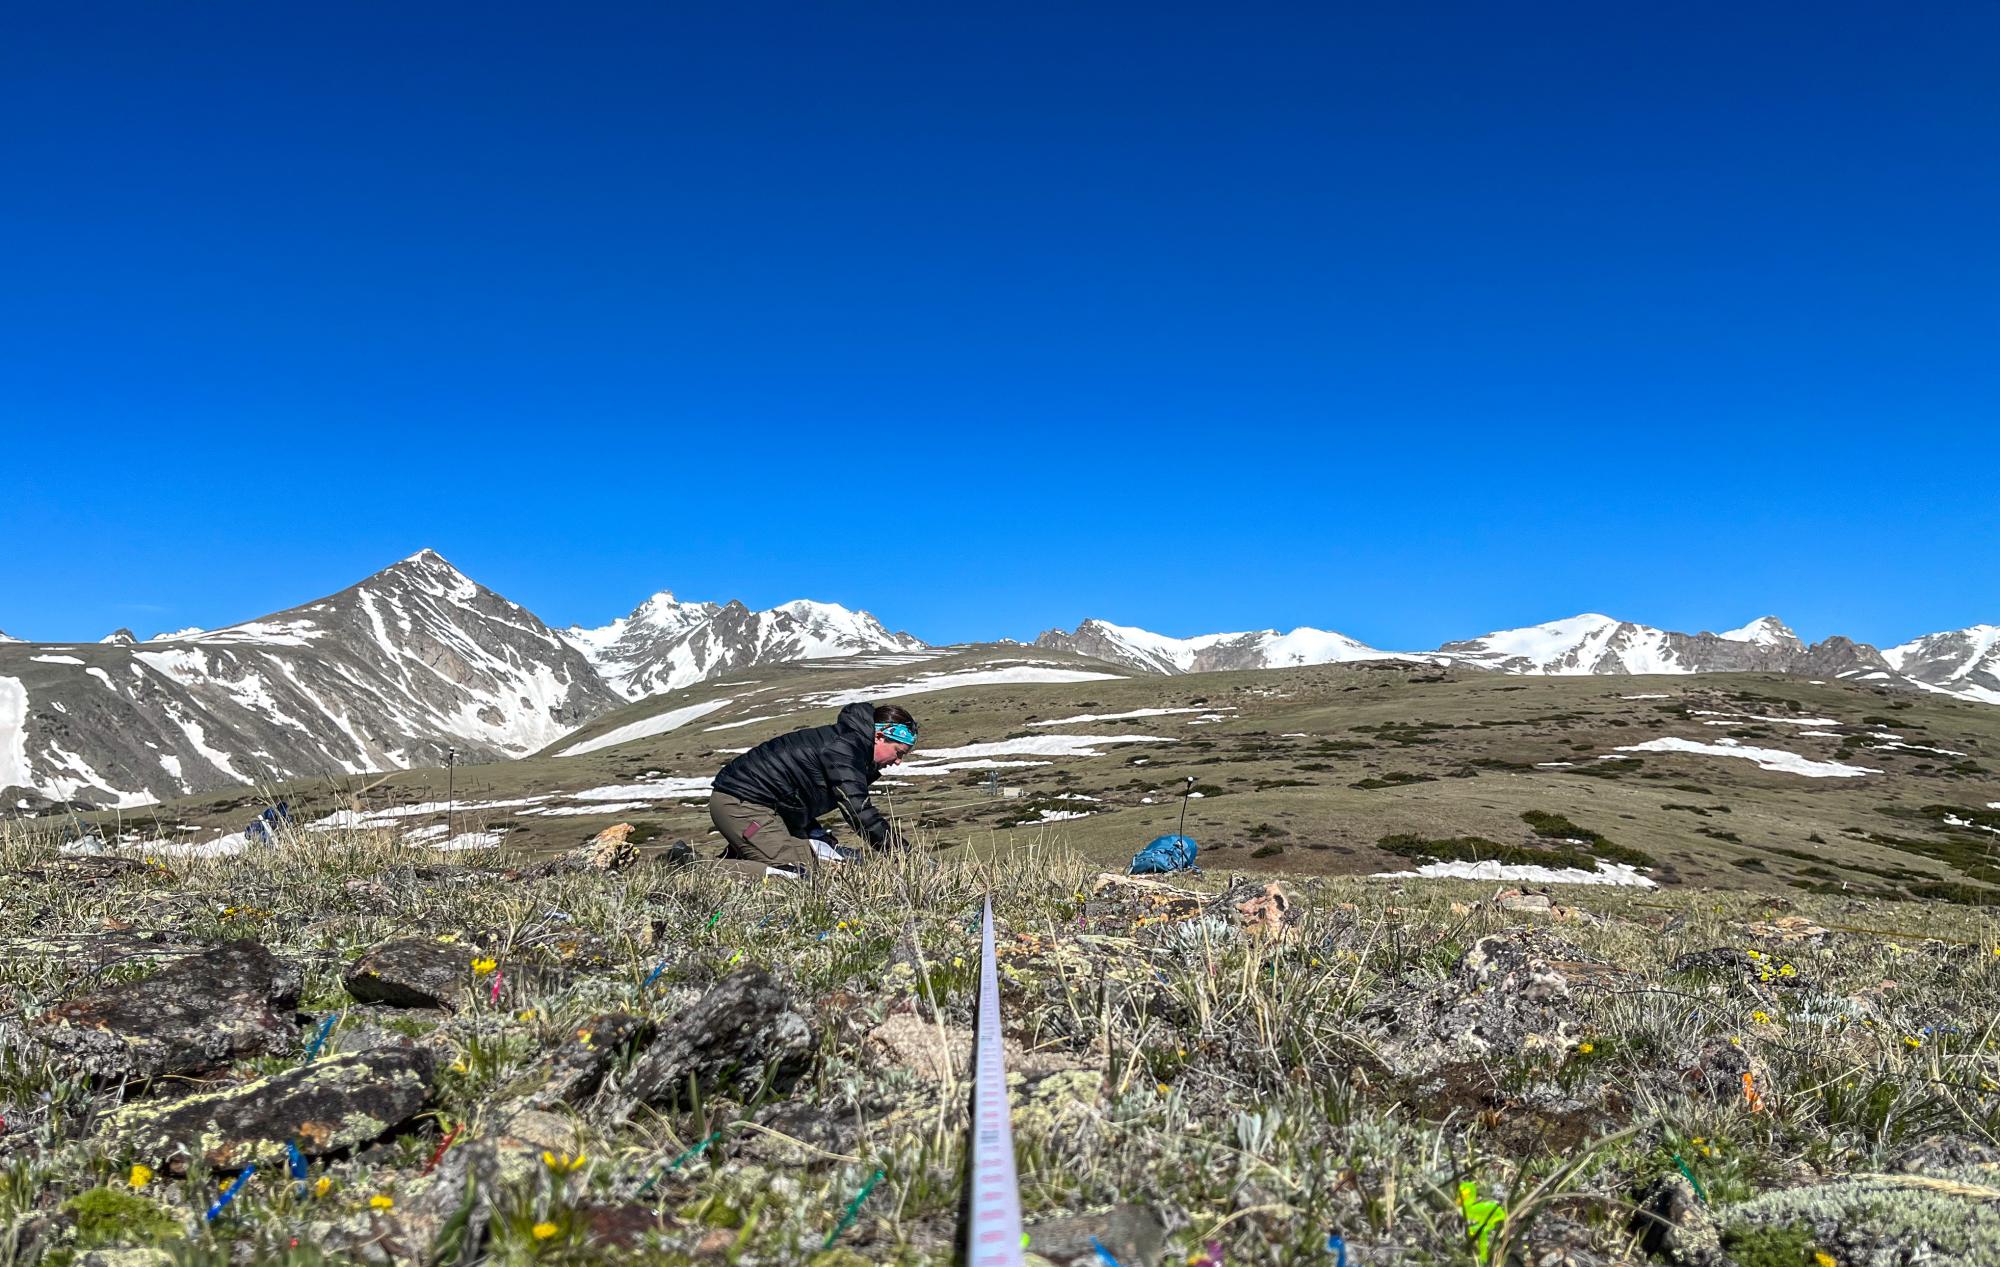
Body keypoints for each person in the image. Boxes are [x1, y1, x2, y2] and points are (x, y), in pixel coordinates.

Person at [707, 702, 917, 878]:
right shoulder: (844, 749)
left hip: (767, 809)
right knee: (791, 875)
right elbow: (858, 811)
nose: (898, 761)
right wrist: (903, 854)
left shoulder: (850, 746)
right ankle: (691, 868)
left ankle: (734, 861)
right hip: (742, 803)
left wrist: (814, 832)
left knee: (826, 861)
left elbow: (797, 795)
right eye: (898, 752)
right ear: (879, 736)